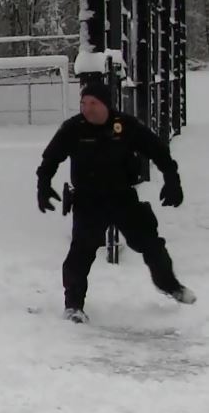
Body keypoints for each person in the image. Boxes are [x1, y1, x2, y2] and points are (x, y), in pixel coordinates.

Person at [36, 81, 195, 324]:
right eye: (83, 103)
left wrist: (172, 180)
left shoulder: (126, 126)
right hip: (88, 200)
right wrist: (43, 186)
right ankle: (74, 306)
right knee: (81, 252)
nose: (87, 109)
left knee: (151, 244)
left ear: (106, 105)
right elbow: (50, 159)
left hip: (122, 197)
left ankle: (170, 286)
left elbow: (159, 151)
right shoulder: (73, 129)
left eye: (93, 103)